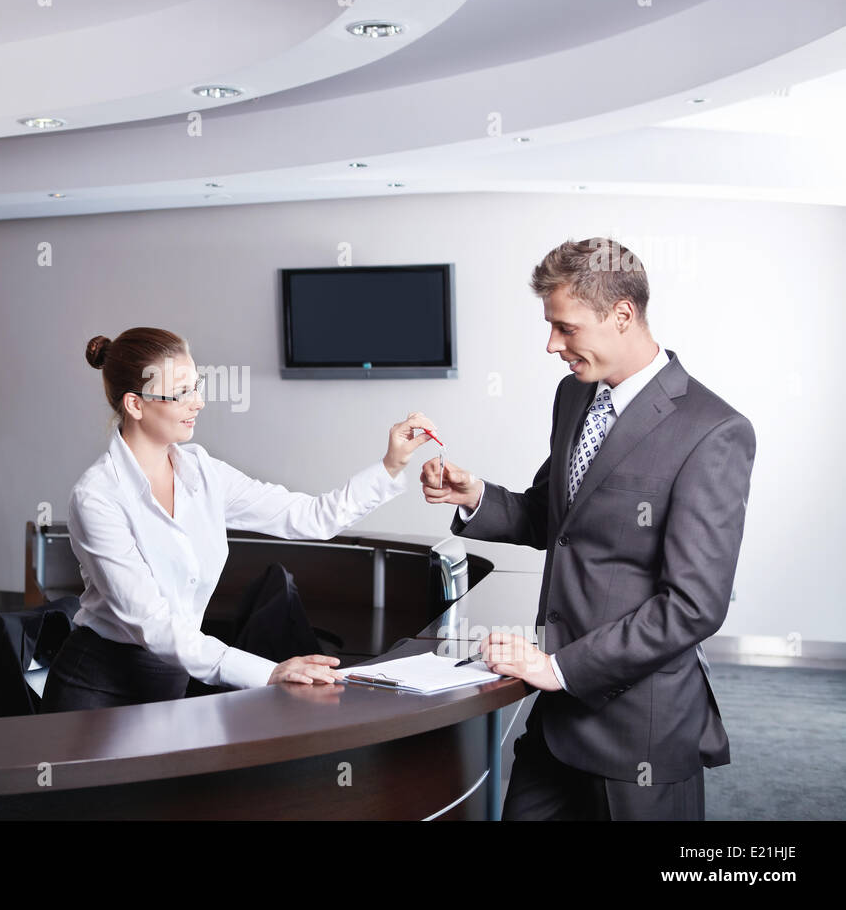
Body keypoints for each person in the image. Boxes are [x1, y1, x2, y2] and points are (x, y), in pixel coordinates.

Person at [421, 238, 755, 820]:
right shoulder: (574, 395)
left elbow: (693, 606)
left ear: (622, 314)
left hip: (639, 735)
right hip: (554, 721)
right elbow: (559, 520)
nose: (551, 345)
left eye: (565, 328)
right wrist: (476, 497)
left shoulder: (713, 430)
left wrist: (556, 668)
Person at [40, 326, 438, 713]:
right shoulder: (97, 497)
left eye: (197, 386)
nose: (198, 402)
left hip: (168, 682)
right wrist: (268, 672)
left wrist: (391, 464)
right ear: (135, 404)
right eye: (181, 393)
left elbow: (310, 518)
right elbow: (154, 625)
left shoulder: (201, 471)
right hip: (97, 692)